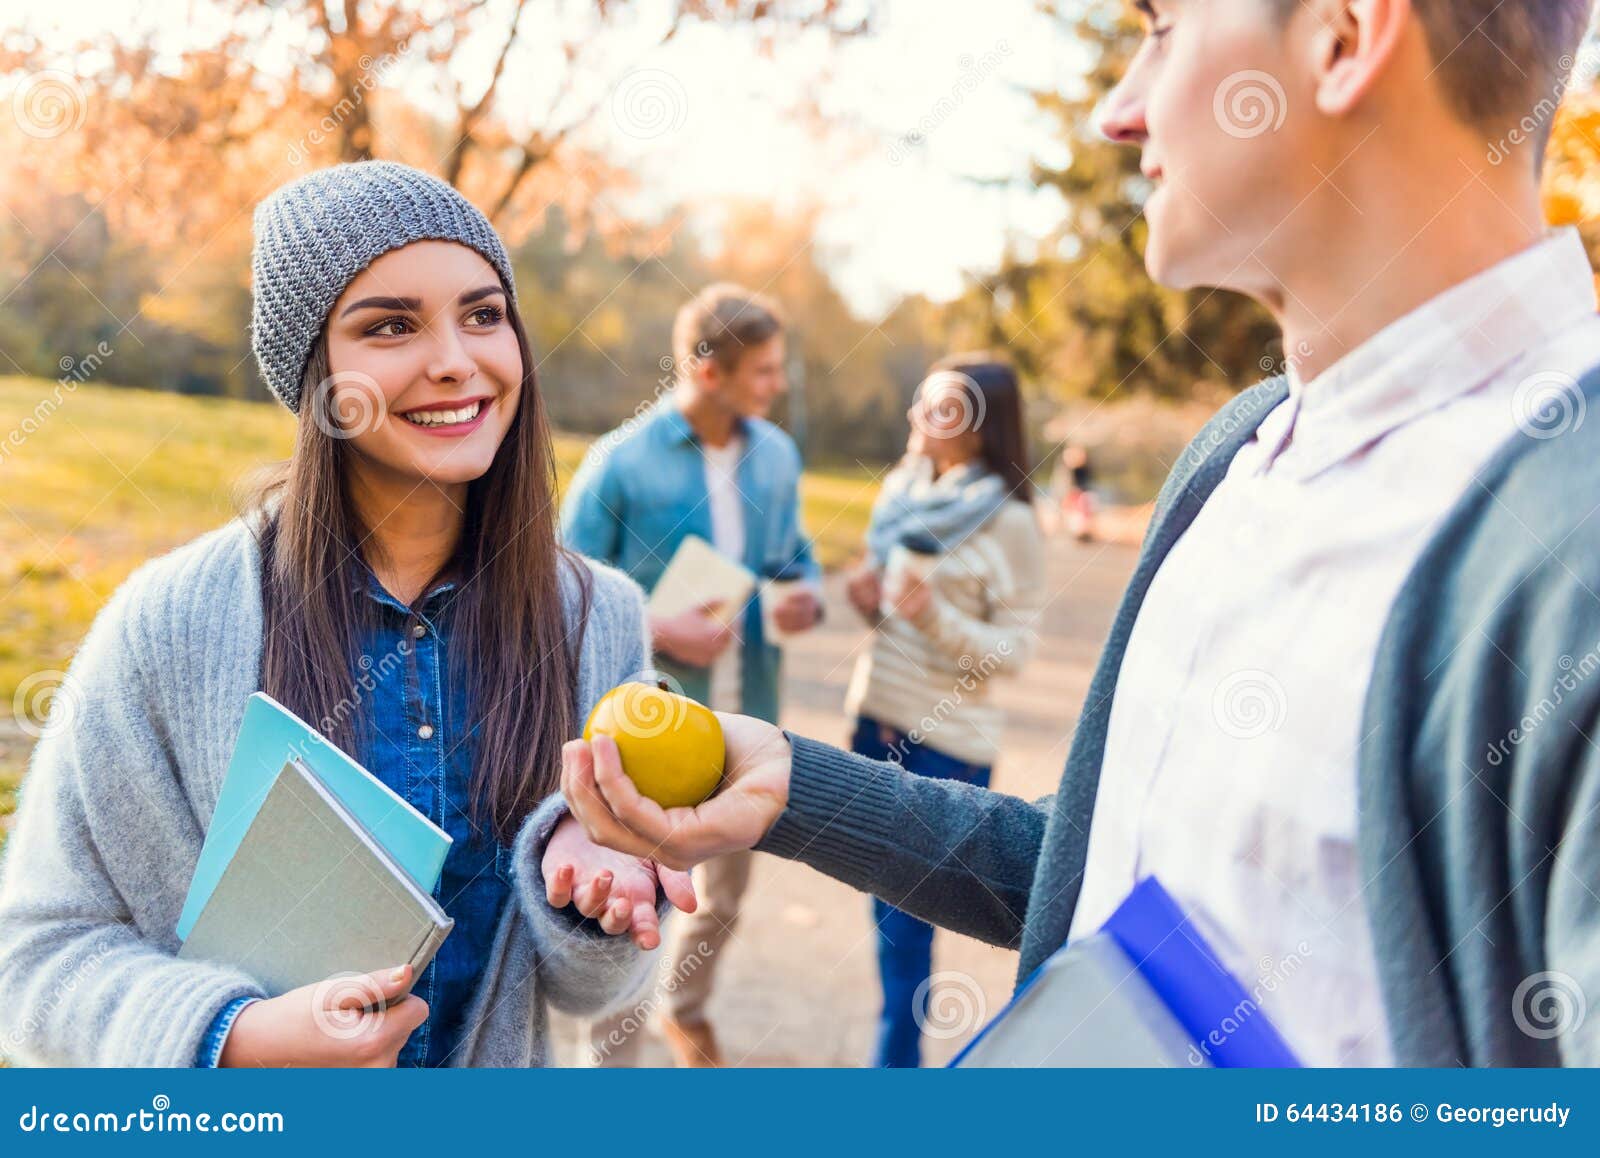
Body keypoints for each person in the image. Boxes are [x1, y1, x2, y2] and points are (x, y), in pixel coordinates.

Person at [561, 0, 1600, 1066]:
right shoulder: (1234, 456)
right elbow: (1088, 872)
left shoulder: (1571, 542)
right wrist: (794, 787)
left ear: (1343, 35)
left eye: (1161, 29)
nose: (1118, 112)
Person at [0, 161, 695, 1067]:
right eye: (390, 326)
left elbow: (592, 995)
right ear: (314, 373)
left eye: (483, 315)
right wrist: (234, 1037)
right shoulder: (169, 623)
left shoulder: (596, 619)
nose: (455, 360)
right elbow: (34, 959)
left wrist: (589, 894)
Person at [561, 283, 823, 1066]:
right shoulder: (621, 462)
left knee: (725, 893)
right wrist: (657, 627)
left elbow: (793, 555)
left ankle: (686, 1008)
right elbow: (562, 588)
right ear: (710, 372)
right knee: (634, 900)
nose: (776, 385)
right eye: (763, 371)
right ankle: (611, 1071)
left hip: (750, 709)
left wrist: (805, 593)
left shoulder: (776, 456)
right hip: (653, 727)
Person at [842, 356, 1044, 1067]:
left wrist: (933, 617)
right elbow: (892, 621)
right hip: (875, 725)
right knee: (886, 922)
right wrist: (869, 605)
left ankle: (894, 1072)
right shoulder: (902, 493)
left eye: (935, 408)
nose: (914, 417)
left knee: (906, 930)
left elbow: (1015, 653)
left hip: (946, 747)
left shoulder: (1011, 521)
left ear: (977, 428)